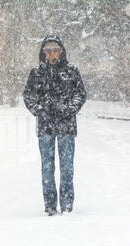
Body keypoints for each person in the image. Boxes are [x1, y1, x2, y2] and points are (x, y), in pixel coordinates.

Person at [23, 34, 87, 216]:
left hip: (67, 126)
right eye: (48, 50)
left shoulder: (71, 71)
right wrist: (39, 110)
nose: (52, 54)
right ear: (43, 52)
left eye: (55, 50)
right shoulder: (37, 73)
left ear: (61, 52)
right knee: (47, 168)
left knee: (67, 167)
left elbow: (80, 94)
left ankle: (67, 204)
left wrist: (70, 109)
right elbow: (28, 96)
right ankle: (50, 205)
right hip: (45, 127)